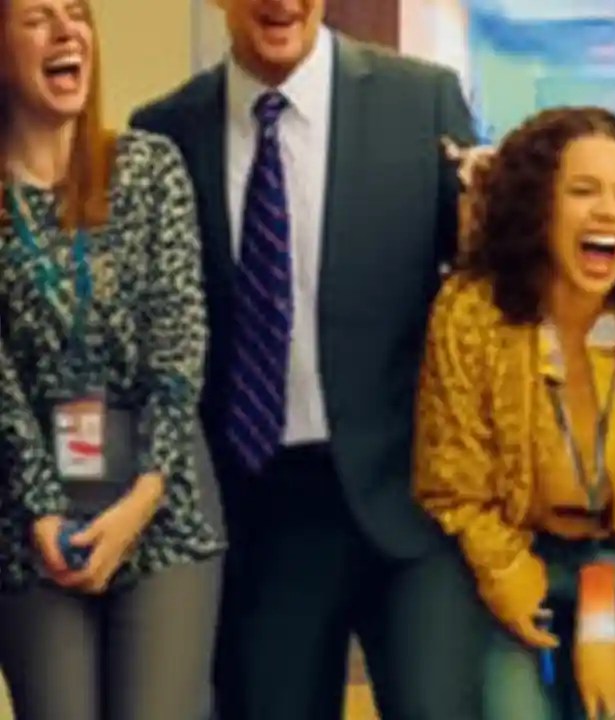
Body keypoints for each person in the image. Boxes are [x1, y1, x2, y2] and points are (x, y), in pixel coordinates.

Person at [129, 1, 487, 718]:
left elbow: (486, 288)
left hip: (412, 498)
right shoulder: (163, 133)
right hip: (264, 510)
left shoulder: (423, 100)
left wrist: (496, 218)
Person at [414, 107, 615, 720]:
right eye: (583, 191)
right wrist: (507, 575)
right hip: (514, 547)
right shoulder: (470, 310)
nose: (608, 212)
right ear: (539, 207)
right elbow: (449, 473)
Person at [0, 0, 224, 718]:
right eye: (39, 17)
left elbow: (177, 347)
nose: (68, 33)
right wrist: (39, 512)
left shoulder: (150, 168)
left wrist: (142, 499)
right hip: (29, 514)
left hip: (162, 500)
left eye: (78, 13)